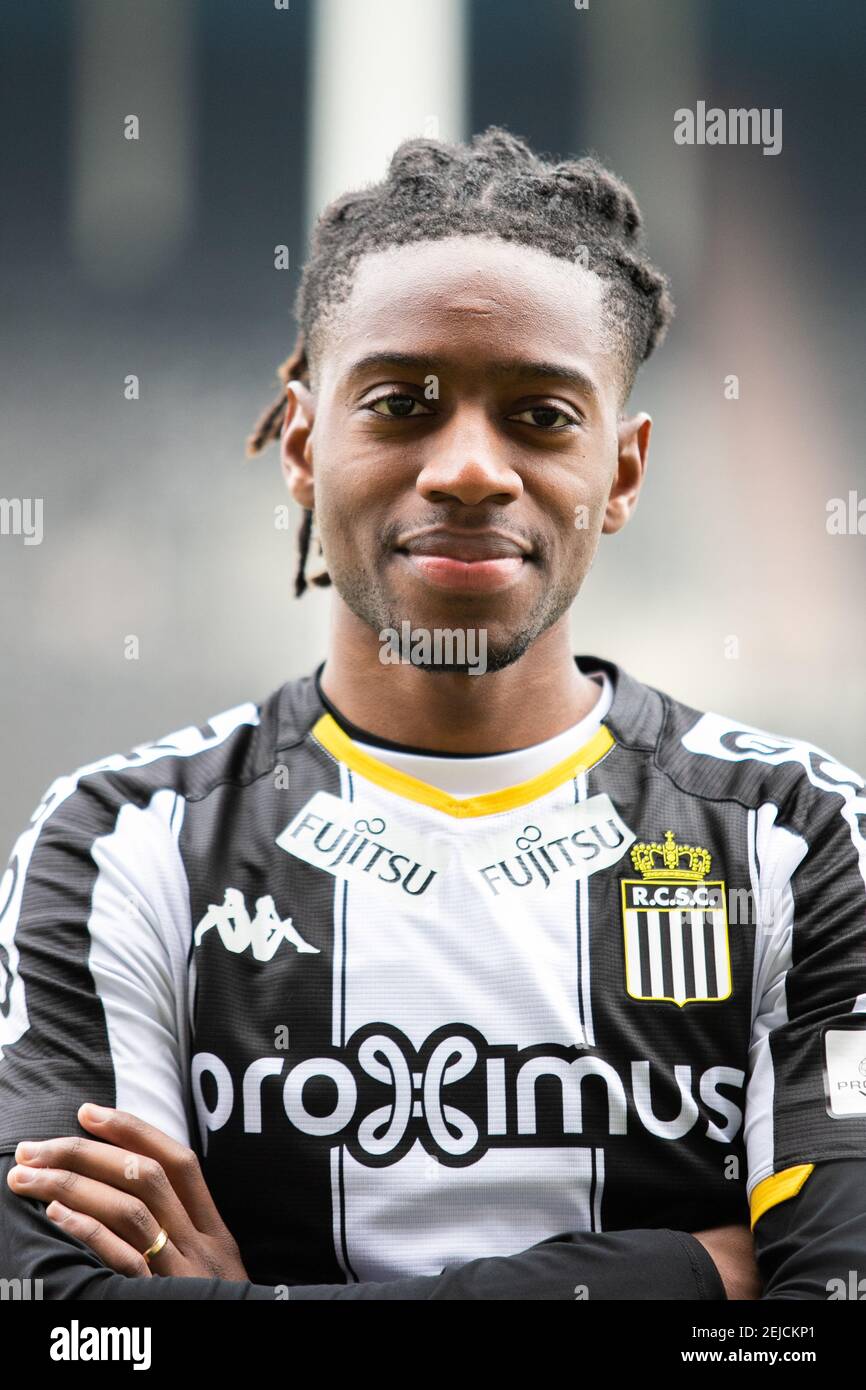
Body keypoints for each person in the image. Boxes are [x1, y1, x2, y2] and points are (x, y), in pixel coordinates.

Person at [2, 127, 865, 1301]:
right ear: (304, 444)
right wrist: (687, 1272)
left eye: (541, 416)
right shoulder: (119, 844)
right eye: (402, 403)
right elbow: (67, 1324)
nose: (468, 468)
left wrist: (245, 1307)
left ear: (621, 472)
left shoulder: (798, 839)